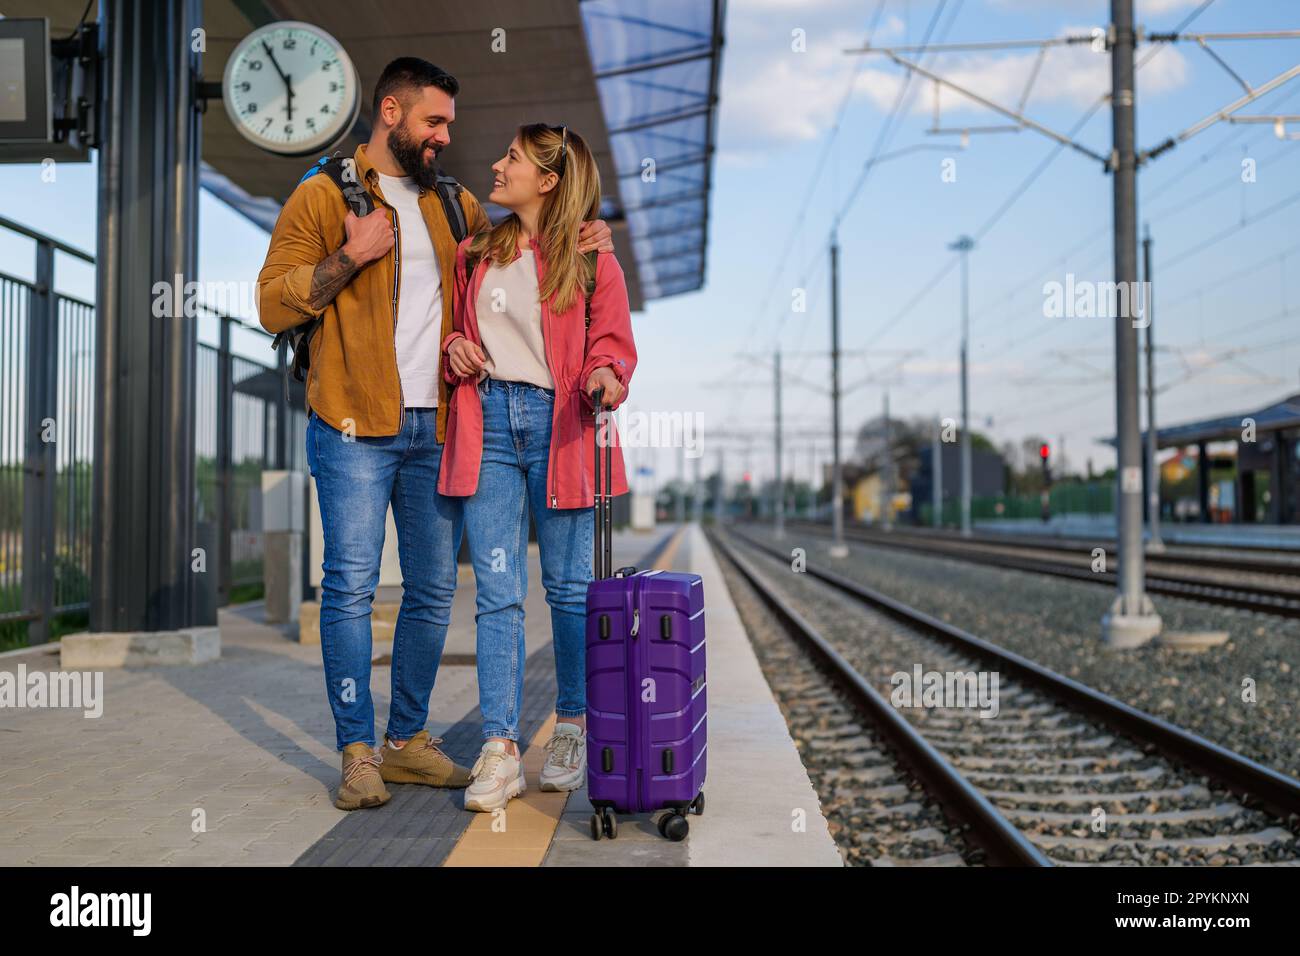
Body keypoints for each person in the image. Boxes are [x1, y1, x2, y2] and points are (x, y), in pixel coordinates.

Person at [257, 59, 612, 812]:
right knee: (351, 586)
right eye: (434, 122)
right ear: (391, 112)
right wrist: (351, 255)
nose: (447, 137)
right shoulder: (323, 195)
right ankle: (357, 754)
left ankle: (408, 741)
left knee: (431, 591)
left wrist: (590, 230)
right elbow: (272, 305)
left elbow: (517, 268)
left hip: (445, 425)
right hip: (354, 422)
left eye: (448, 124)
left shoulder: (455, 208)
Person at [438, 124, 636, 812]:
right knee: (496, 592)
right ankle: (500, 749)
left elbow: (614, 344)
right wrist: (458, 345)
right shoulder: (474, 253)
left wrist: (608, 373)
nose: (497, 165)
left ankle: (573, 728)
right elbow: (453, 331)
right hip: (487, 423)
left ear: (549, 180)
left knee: (570, 590)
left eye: (512, 158)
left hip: (563, 428)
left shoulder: (590, 260)